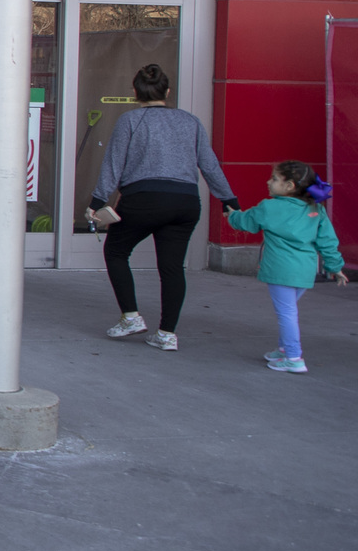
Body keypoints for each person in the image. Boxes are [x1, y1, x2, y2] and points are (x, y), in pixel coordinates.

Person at [88, 63, 238, 351]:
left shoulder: (130, 120)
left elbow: (113, 164)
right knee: (172, 268)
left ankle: (131, 317)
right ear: (168, 91)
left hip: (144, 198)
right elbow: (209, 165)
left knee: (116, 251)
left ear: (135, 92)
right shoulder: (190, 121)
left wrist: (97, 202)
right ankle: (167, 334)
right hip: (185, 201)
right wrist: (229, 201)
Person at [225, 161, 346, 373]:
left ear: (289, 185)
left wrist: (232, 215)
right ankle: (283, 350)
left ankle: (293, 357)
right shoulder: (316, 209)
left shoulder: (269, 207)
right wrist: (335, 266)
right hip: (305, 271)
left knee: (287, 313)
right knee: (289, 310)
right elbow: (327, 240)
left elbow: (246, 222)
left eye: (274, 178)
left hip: (280, 270)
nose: (268, 182)